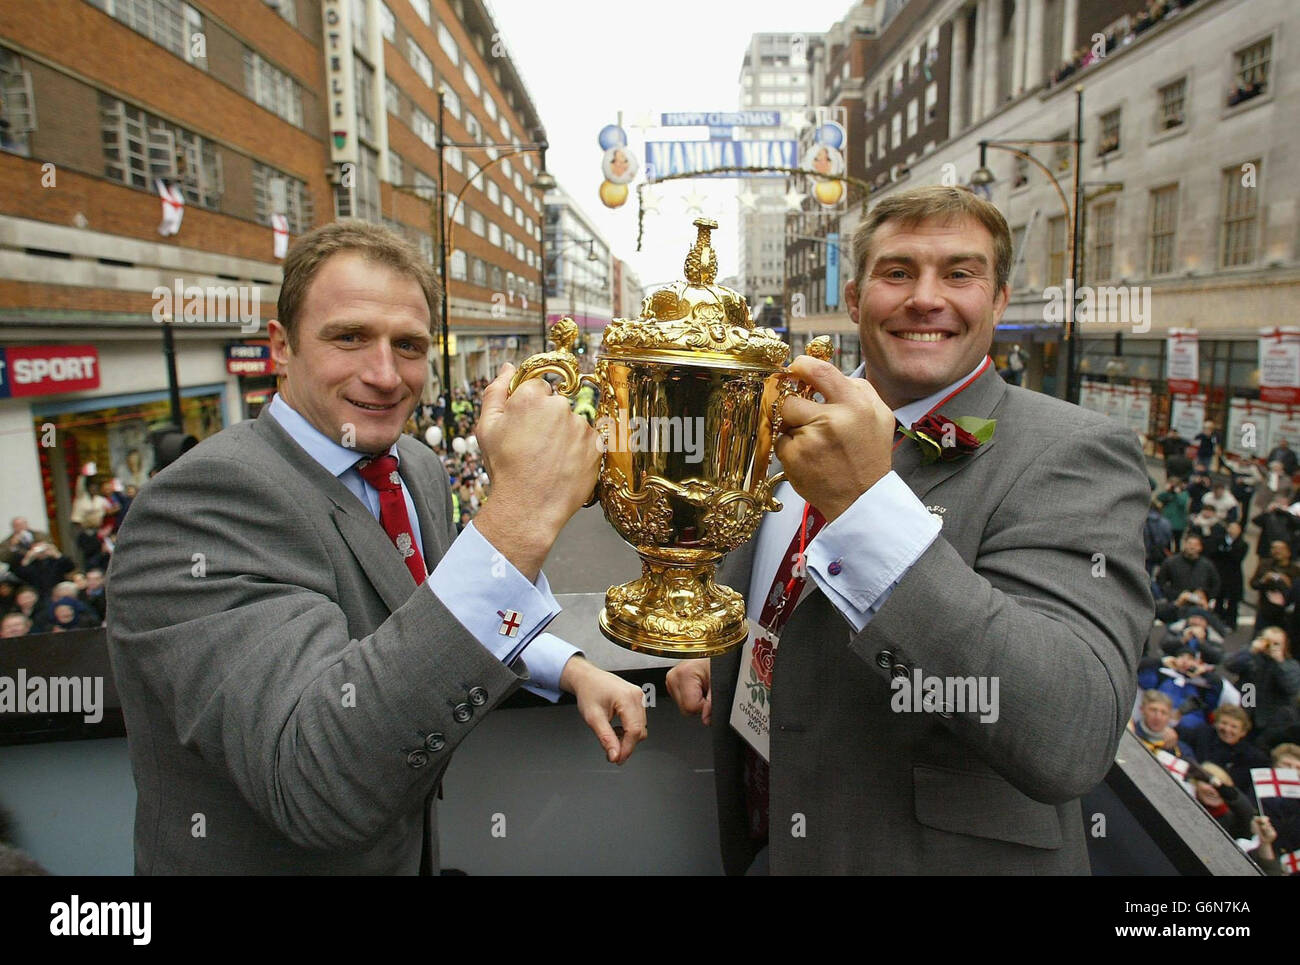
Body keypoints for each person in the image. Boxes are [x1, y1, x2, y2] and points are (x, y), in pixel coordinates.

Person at [106, 220, 646, 875]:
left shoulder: (411, 464)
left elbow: (438, 616)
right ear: (280, 346)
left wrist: (569, 667)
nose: (386, 374)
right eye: (350, 336)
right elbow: (315, 782)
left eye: (409, 344)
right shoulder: (204, 501)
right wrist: (520, 518)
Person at [666, 185, 1153, 874]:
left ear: (1000, 300)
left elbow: (1070, 729)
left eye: (960, 273)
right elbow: (783, 600)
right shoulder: (787, 415)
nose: (927, 297)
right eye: (898, 272)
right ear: (857, 297)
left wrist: (868, 505)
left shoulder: (1076, 452)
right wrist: (726, 655)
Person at [1178, 705, 1269, 796]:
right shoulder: (1203, 734)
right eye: (1224, 723)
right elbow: (1180, 736)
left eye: (1234, 727)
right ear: (1216, 723)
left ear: (1243, 732)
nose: (1227, 729)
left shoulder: (1252, 757)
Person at [1225, 627, 1300, 737]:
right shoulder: (1250, 656)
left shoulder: (1290, 665)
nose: (1271, 647)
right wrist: (1251, 651)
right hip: (1246, 710)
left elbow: (1291, 687)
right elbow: (1230, 665)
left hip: (1272, 717)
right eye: (1267, 642)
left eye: (1276, 644)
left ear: (1284, 647)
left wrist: (1280, 663)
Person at [1155, 532, 1219, 623]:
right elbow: (1160, 582)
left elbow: (1216, 584)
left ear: (1200, 547)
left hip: (1199, 606)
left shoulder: (1207, 565)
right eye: (1189, 544)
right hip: (1178, 605)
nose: (1192, 547)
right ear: (1184, 545)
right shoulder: (1171, 562)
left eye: (1195, 545)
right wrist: (1174, 596)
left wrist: (1206, 595)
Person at [1249, 540, 1300, 633]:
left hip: (1285, 614)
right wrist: (1263, 580)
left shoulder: (1295, 571)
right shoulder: (1264, 565)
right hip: (1265, 611)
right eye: (1274, 548)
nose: (1277, 551)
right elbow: (1253, 584)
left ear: (1288, 552)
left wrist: (1287, 583)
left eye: (1280, 548)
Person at [1208, 521, 1247, 629]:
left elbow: (1236, 557)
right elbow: (1213, 553)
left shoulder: (1243, 544)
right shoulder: (1219, 540)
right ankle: (1217, 620)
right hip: (1220, 573)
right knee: (1219, 598)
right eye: (1231, 527)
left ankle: (1231, 623)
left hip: (1234, 576)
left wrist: (1225, 551)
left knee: (1233, 601)